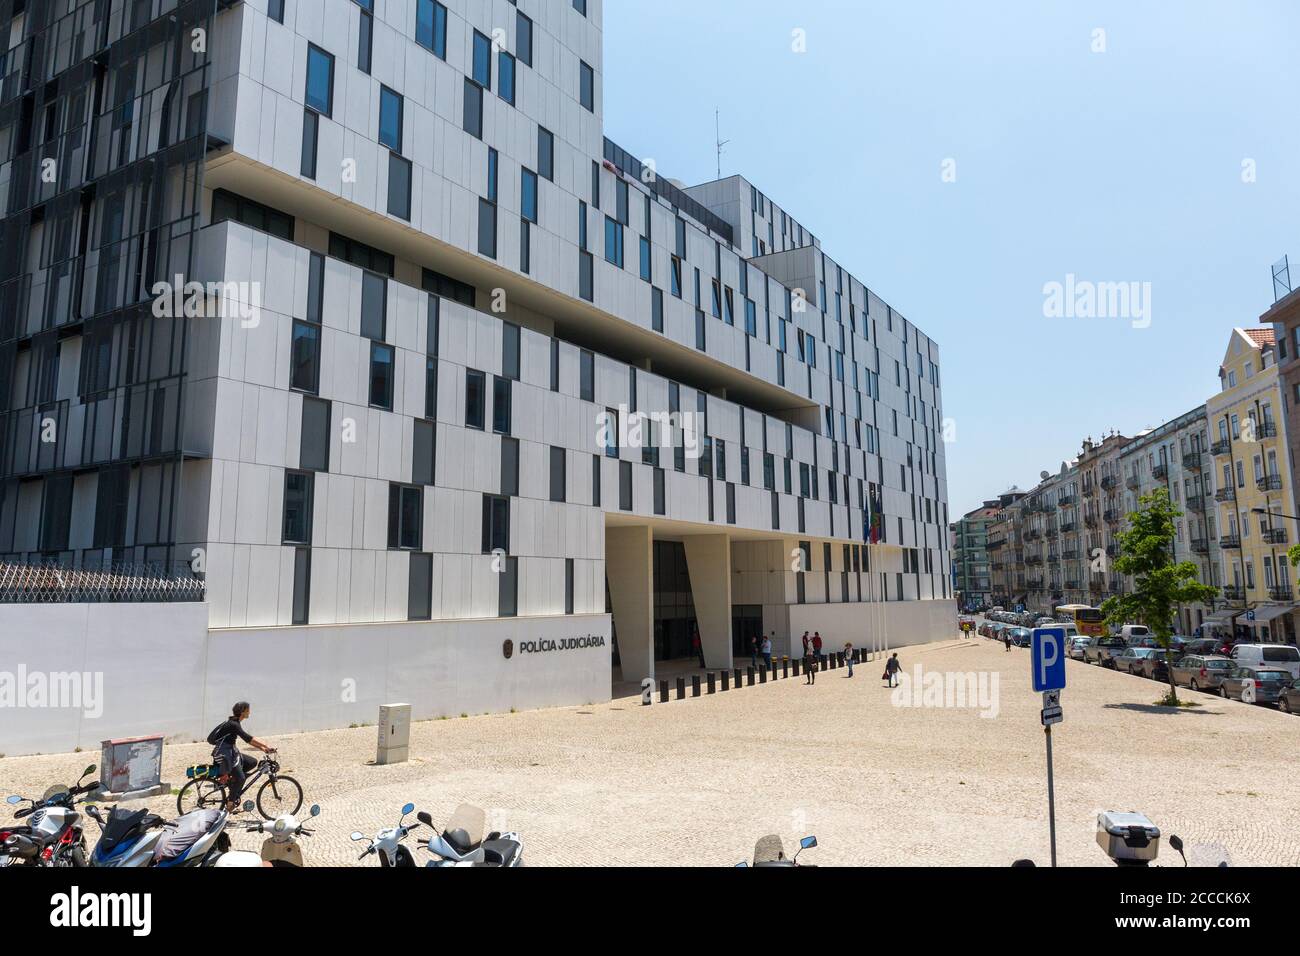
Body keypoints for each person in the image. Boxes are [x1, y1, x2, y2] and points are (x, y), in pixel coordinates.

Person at [207, 702, 276, 812]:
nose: (249, 712)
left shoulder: (235, 722)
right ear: (243, 712)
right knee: (241, 778)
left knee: (252, 762)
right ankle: (230, 803)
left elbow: (248, 740)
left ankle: (233, 783)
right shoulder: (233, 724)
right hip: (224, 754)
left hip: (231, 752)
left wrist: (263, 748)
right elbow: (248, 738)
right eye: (248, 710)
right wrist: (266, 745)